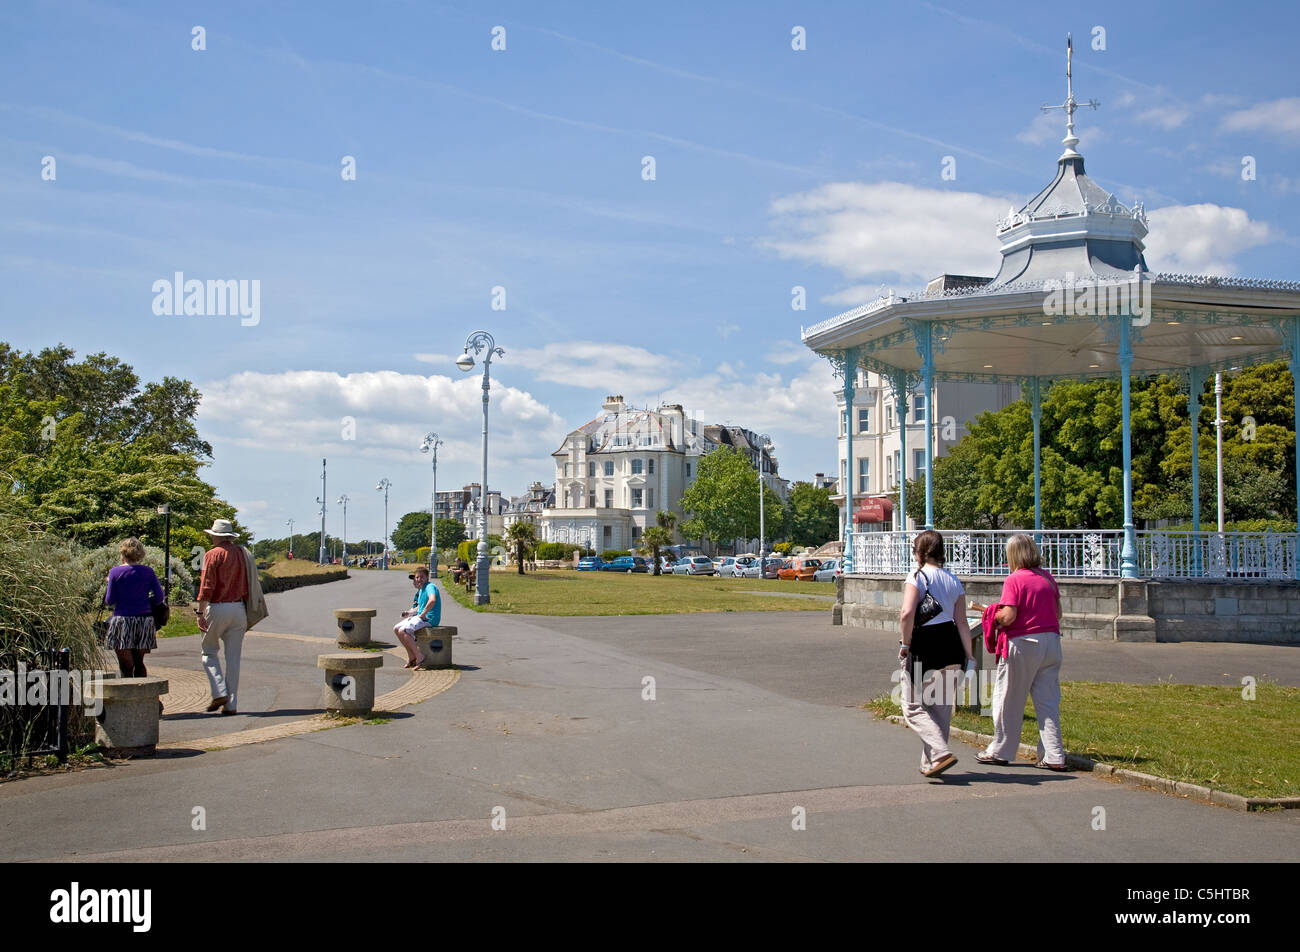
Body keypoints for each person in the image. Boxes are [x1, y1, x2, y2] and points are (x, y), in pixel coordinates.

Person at [973, 533, 1067, 771]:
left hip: (1024, 643)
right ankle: (1054, 755)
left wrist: (992, 615)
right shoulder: (1047, 578)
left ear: (1013, 555)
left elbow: (1008, 616)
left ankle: (1000, 750)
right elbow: (1058, 614)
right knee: (1047, 702)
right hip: (1052, 642)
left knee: (1008, 699)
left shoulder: (1015, 580)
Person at [898, 529, 975, 778]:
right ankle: (931, 762)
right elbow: (962, 622)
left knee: (911, 706)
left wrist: (905, 644)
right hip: (951, 644)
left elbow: (907, 613)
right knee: (940, 709)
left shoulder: (917, 576)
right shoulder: (953, 580)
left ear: (919, 553)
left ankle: (940, 752)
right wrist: (969, 655)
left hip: (926, 644)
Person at [196, 518, 250, 715]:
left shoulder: (212, 554)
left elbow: (207, 586)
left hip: (218, 607)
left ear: (215, 536)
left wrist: (200, 612)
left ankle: (219, 691)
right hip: (239, 608)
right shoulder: (242, 554)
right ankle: (231, 704)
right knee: (233, 658)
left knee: (208, 651)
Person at [104, 538, 165, 685]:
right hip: (144, 621)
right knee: (139, 662)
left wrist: (110, 583)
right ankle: (144, 699)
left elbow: (109, 600)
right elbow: (159, 597)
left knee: (125, 665)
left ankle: (127, 701)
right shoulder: (148, 572)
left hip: (122, 621)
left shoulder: (115, 572)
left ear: (122, 553)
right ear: (140, 553)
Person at [392, 566, 440, 668]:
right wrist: (409, 613)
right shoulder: (422, 589)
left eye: (421, 577)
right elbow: (419, 606)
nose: (419, 579)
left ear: (427, 577)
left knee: (404, 631)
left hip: (430, 618)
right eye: (417, 577)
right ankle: (411, 656)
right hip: (421, 617)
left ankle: (419, 656)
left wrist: (423, 614)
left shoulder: (430, 587)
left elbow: (432, 600)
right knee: (396, 628)